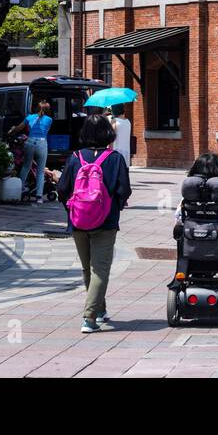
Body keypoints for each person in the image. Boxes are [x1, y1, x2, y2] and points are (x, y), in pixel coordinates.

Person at [58, 113, 132, 333]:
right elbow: (124, 189)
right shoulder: (115, 159)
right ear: (108, 133)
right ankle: (89, 318)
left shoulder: (75, 157)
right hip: (106, 221)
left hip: (78, 221)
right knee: (100, 269)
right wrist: (116, 206)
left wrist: (72, 209)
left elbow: (62, 189)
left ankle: (100, 310)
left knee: (87, 268)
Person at [9, 98, 53, 204]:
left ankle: (20, 190)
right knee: (40, 170)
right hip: (42, 143)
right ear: (47, 110)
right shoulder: (49, 120)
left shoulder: (29, 117)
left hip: (30, 142)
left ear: (36, 108)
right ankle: (39, 197)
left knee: (26, 167)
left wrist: (13, 129)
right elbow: (46, 130)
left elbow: (19, 128)